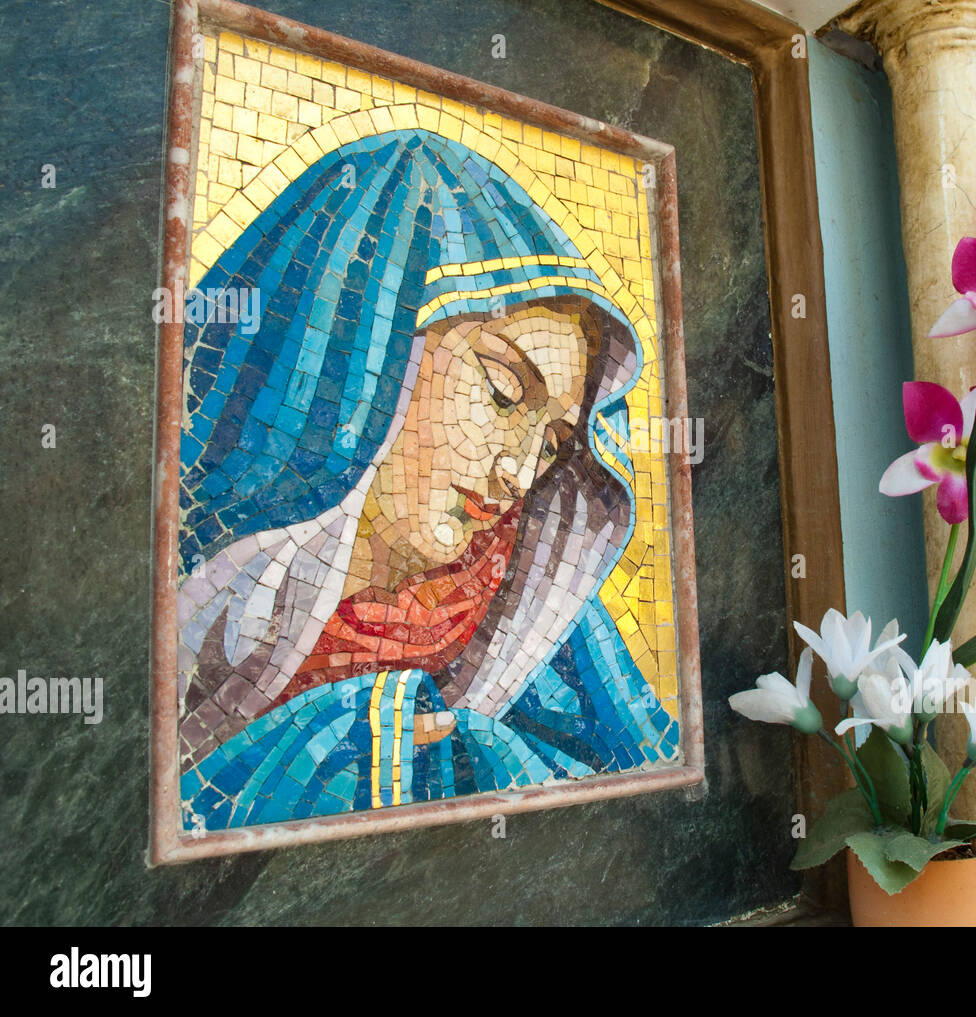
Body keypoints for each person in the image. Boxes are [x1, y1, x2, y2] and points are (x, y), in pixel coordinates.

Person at [174, 129, 677, 831]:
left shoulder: (531, 602)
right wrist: (344, 737)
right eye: (503, 391)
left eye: (555, 444)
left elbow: (648, 786)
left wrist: (469, 753)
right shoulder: (201, 577)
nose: (517, 470)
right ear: (370, 354)